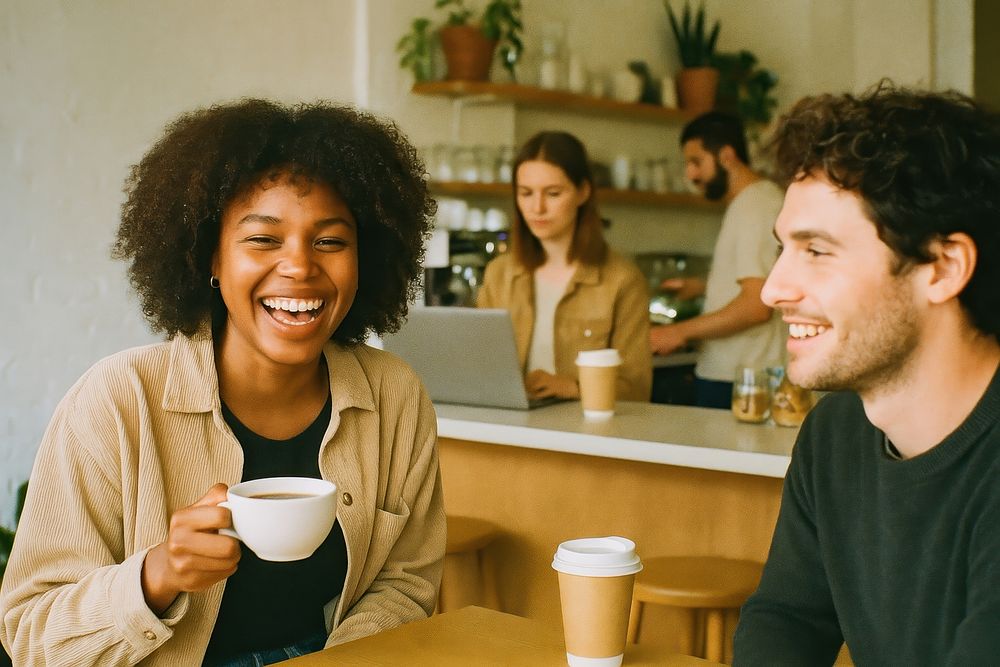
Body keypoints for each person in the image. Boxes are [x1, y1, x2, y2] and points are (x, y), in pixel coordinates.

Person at [0, 99, 445, 665]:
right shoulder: (115, 402)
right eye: (263, 240)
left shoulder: (395, 395)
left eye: (330, 241)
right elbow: (31, 636)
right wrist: (155, 576)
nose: (301, 266)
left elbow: (405, 585)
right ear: (209, 256)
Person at [733, 85, 1000, 664]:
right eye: (783, 248)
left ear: (942, 269)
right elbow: (787, 617)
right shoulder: (835, 434)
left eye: (818, 251)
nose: (775, 289)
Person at [477, 131, 652, 402]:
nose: (538, 207)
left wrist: (574, 387)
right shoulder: (499, 273)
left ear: (583, 192)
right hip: (509, 429)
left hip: (586, 436)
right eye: (525, 193)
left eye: (553, 193)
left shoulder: (622, 279)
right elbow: (480, 366)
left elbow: (637, 388)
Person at [649, 112, 786, 408]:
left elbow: (756, 306)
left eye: (696, 162)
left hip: (741, 380)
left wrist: (676, 332)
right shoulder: (748, 204)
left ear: (726, 156)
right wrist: (701, 287)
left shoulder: (756, 207)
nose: (690, 175)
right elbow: (756, 280)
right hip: (730, 374)